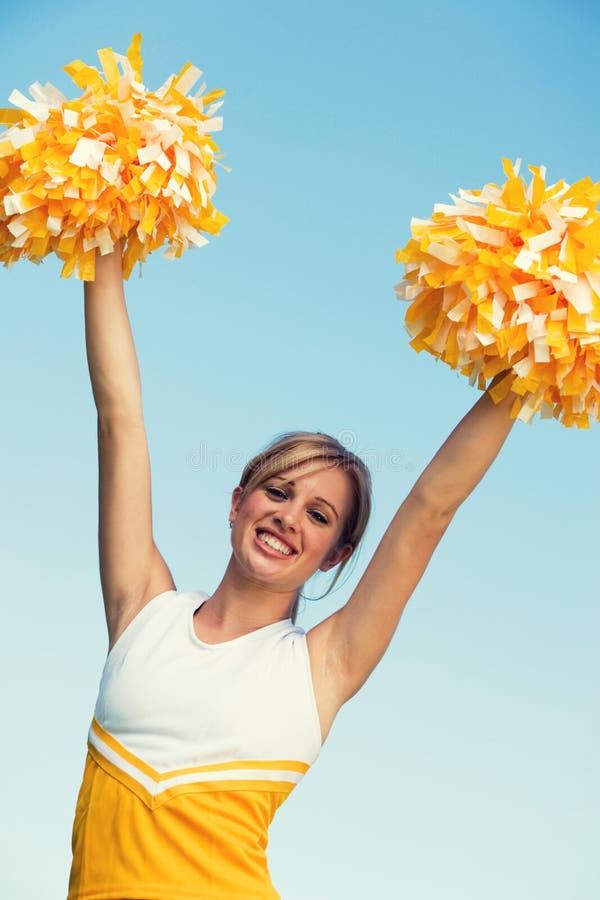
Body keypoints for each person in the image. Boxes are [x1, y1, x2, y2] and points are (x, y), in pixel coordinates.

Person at [67, 242, 517, 899]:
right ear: (237, 503)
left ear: (336, 554)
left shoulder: (322, 667)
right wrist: (98, 234)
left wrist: (527, 369)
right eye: (277, 493)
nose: (288, 519)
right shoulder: (142, 609)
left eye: (319, 514)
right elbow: (119, 419)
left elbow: (429, 512)